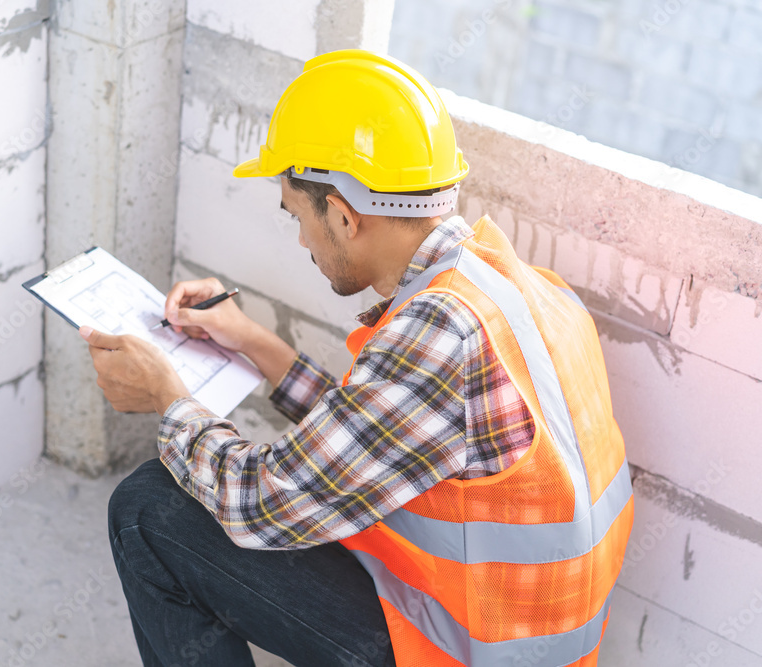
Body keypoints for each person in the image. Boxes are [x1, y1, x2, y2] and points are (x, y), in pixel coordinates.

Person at [80, 49, 634, 667]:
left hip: (466, 650)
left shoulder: (437, 336)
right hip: (506, 633)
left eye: (297, 216)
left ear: (343, 216)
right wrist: (252, 341)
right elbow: (379, 432)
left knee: (148, 510)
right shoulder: (508, 285)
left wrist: (167, 397)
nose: (300, 240)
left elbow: (259, 504)